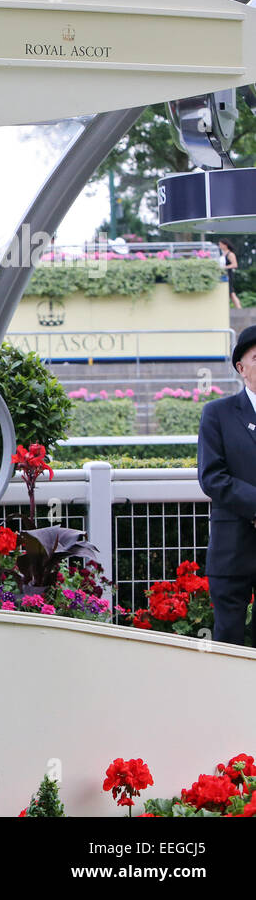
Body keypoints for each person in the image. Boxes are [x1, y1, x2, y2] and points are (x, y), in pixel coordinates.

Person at [198, 324, 256, 646]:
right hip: (232, 547)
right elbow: (211, 476)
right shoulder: (217, 413)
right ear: (241, 368)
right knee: (228, 642)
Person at [218, 239, 242, 309]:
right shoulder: (222, 254)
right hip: (223, 275)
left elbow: (235, 265)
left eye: (220, 245)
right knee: (229, 293)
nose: (219, 246)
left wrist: (224, 267)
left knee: (231, 292)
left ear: (225, 245)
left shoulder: (230, 254)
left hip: (228, 275)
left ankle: (239, 308)